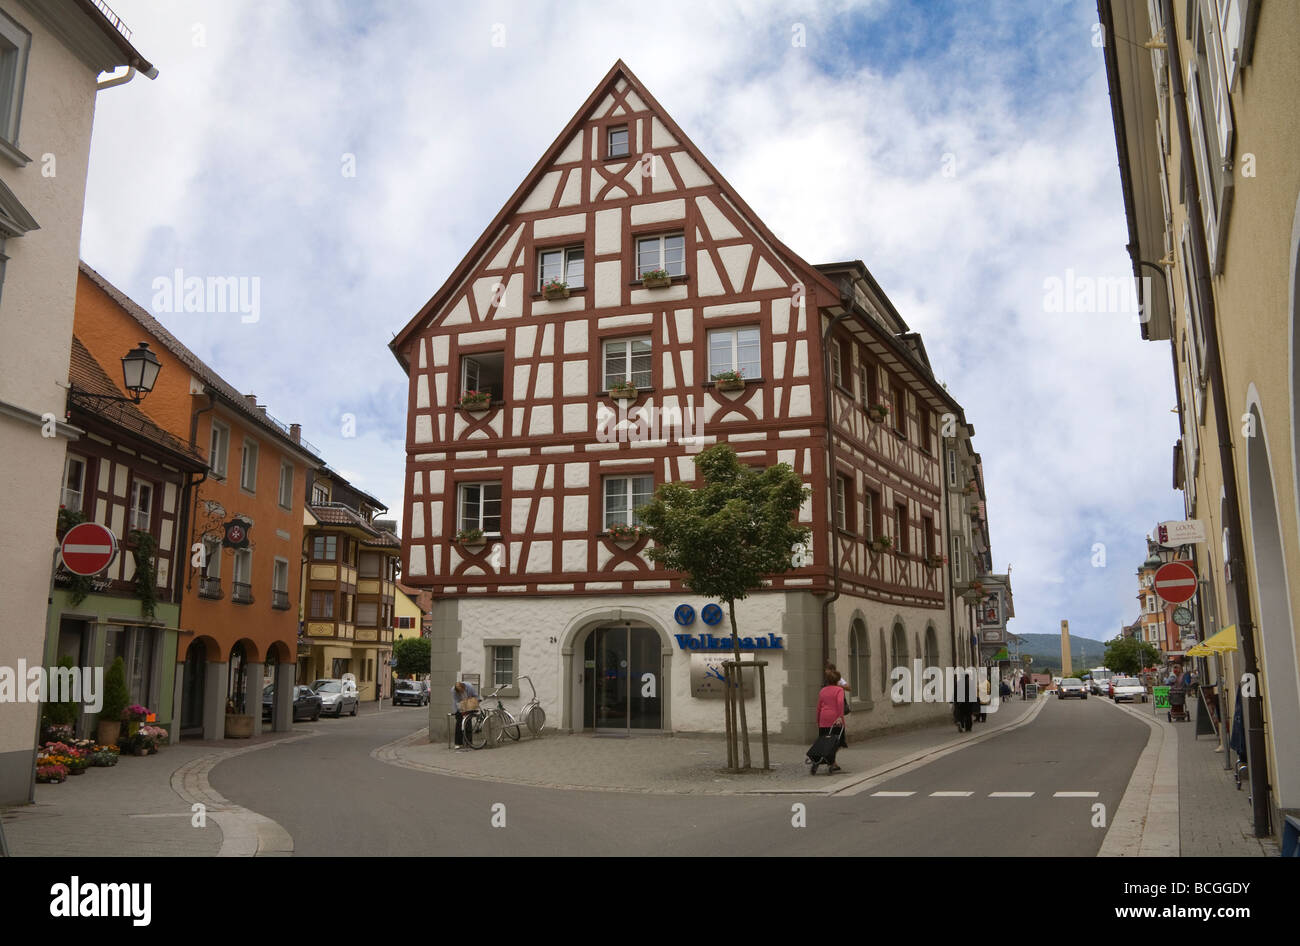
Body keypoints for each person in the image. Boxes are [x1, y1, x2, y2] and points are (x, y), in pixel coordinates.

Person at [815, 668, 846, 772]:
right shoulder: (839, 690)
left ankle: (831, 761)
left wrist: (818, 720)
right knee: (838, 742)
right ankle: (831, 762)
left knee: (825, 740)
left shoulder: (822, 690)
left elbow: (818, 707)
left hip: (823, 718)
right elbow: (840, 703)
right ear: (837, 680)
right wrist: (840, 717)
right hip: (835, 718)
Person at [451, 680, 479, 750]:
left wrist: (474, 701)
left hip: (469, 706)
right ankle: (458, 743)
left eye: (461, 691)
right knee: (459, 724)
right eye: (459, 691)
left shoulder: (469, 687)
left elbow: (475, 695)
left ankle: (469, 742)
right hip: (459, 707)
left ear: (463, 688)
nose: (460, 692)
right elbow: (457, 702)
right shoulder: (453, 690)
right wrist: (461, 711)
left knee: (468, 724)